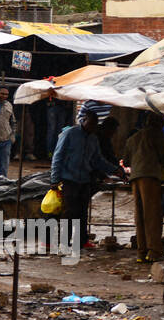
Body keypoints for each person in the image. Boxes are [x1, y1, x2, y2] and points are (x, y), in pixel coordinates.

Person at [50, 104, 120, 252]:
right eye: (91, 123)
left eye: (95, 125)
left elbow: (97, 160)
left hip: (85, 180)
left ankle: (81, 241)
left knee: (82, 212)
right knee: (70, 212)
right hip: (69, 179)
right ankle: (64, 242)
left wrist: (115, 170)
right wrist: (55, 179)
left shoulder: (93, 139)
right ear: (84, 120)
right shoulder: (70, 134)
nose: (93, 127)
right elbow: (58, 156)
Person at [121, 118, 164, 263]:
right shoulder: (157, 134)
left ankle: (141, 252)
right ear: (159, 124)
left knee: (140, 215)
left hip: (135, 178)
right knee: (152, 214)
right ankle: (154, 251)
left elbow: (126, 161)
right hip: (150, 177)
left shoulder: (132, 138)